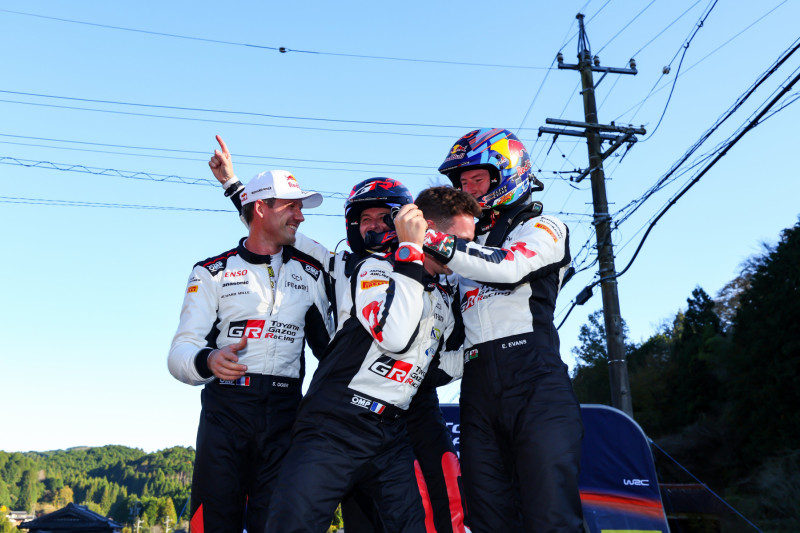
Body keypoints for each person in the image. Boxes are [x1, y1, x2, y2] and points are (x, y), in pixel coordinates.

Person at [209, 136, 469, 533]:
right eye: (367, 220)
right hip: (341, 403)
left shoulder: (440, 280)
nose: (377, 227)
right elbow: (275, 224)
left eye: (386, 218)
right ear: (352, 226)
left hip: (408, 407)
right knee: (336, 517)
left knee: (435, 507)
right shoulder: (342, 264)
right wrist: (233, 184)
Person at [261, 191, 475, 533]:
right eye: (461, 242)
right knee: (292, 525)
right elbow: (394, 336)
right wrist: (410, 254)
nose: (468, 252)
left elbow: (434, 369)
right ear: (427, 230)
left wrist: (481, 354)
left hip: (391, 431)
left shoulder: (441, 296)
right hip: (335, 424)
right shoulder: (374, 267)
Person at [420, 128, 585, 532]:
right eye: (461, 182)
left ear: (507, 172)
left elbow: (509, 267)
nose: (467, 188)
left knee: (551, 517)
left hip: (535, 382)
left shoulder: (545, 227)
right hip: (477, 389)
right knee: (489, 520)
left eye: (476, 178)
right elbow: (452, 336)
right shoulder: (466, 247)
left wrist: (429, 238)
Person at [167, 169, 333, 533]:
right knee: (212, 524)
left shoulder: (312, 274)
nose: (300, 216)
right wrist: (207, 360)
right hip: (226, 414)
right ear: (261, 209)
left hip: (286, 415)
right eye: (292, 207)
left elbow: (333, 353)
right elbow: (179, 352)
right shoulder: (211, 272)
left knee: (277, 524)